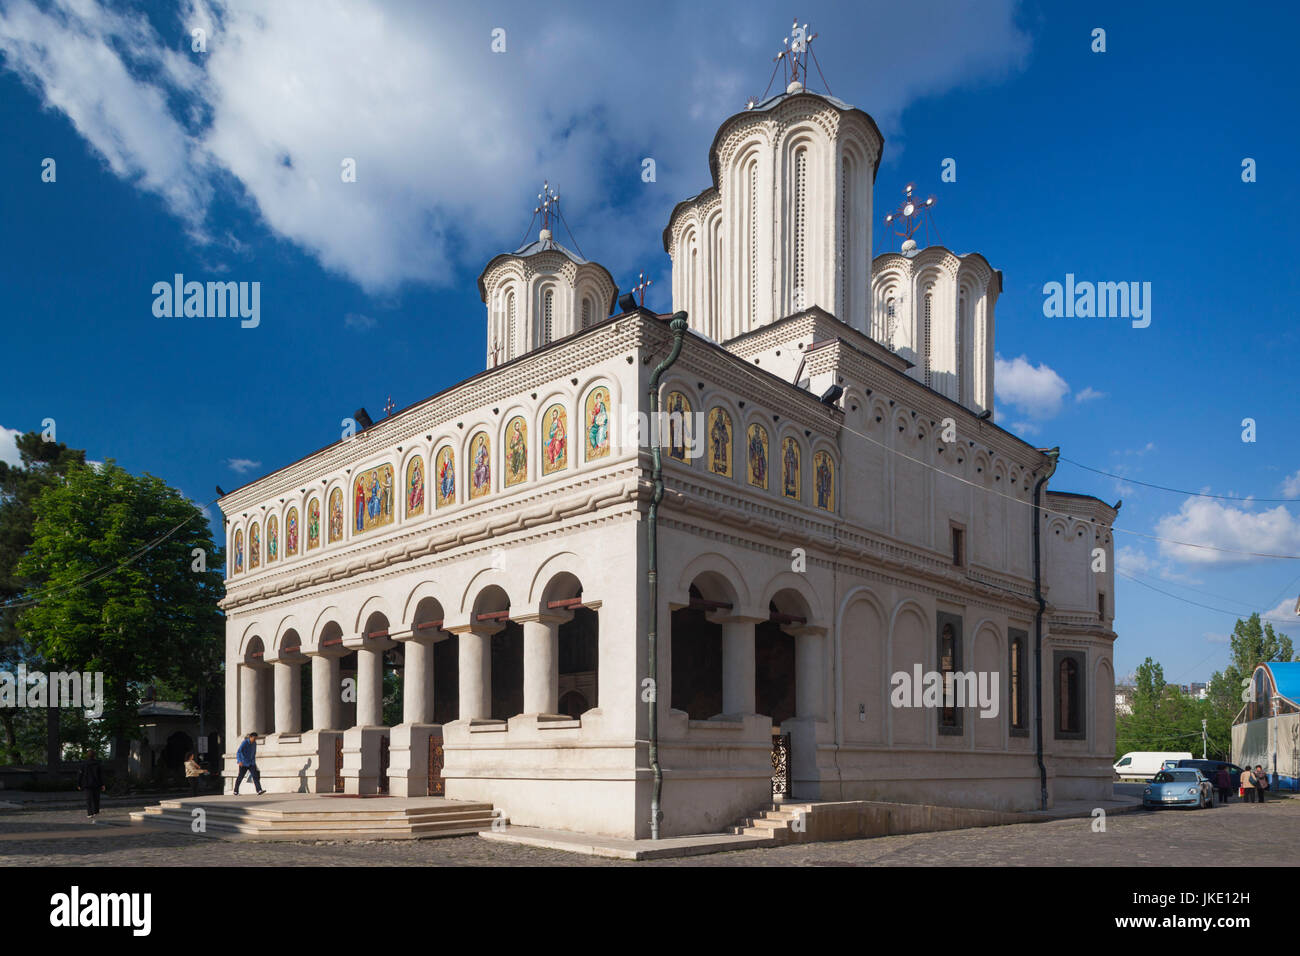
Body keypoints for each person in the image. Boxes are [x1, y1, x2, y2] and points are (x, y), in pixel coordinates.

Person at [76, 749, 106, 822]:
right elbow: (101, 775)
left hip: (87, 784)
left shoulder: (83, 764)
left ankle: (90, 813)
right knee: (96, 798)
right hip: (96, 783)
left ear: (87, 755)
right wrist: (103, 784)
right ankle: (96, 811)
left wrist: (79, 784)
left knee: (89, 799)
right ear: (94, 755)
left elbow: (80, 774)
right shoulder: (98, 764)